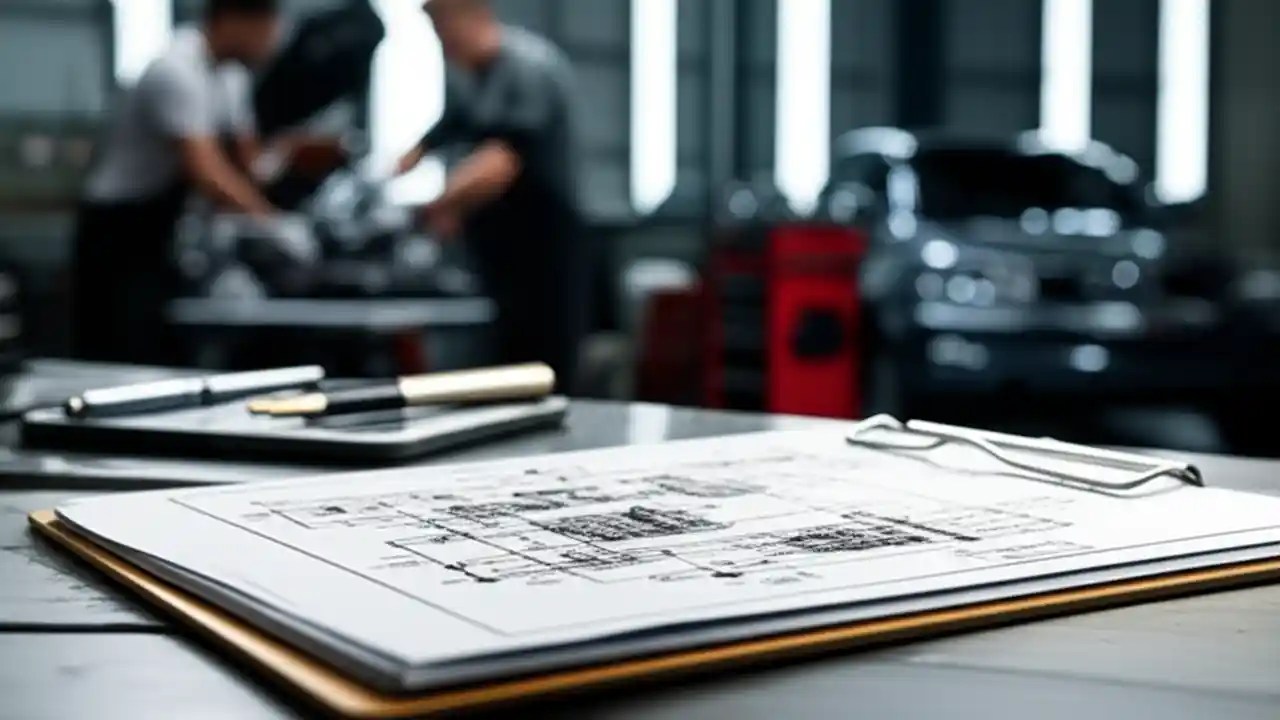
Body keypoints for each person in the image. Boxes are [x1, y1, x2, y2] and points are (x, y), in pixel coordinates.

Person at [73, 0, 281, 363]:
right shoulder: (176, 70)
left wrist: (287, 159)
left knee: (165, 344)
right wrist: (273, 224)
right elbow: (207, 171)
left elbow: (250, 162)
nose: (272, 42)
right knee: (122, 349)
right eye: (267, 29)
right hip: (119, 227)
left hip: (164, 225)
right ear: (233, 19)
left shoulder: (231, 77)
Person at [397, 0, 589, 392]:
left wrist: (437, 206)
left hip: (543, 252)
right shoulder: (468, 77)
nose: (441, 41)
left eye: (443, 28)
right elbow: (442, 132)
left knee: (539, 370)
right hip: (495, 251)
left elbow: (500, 160)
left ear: (473, 15)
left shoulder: (528, 68)